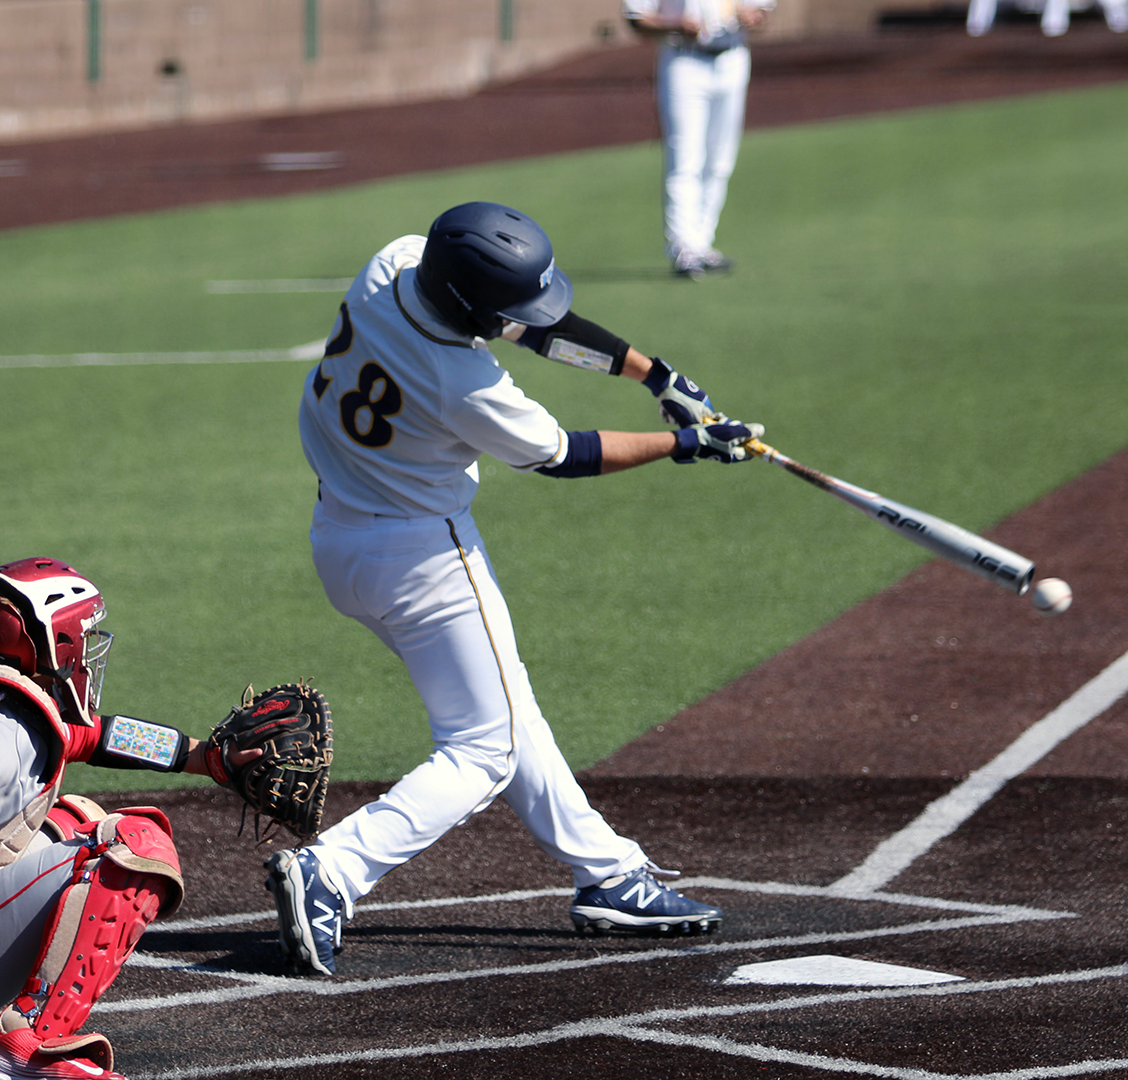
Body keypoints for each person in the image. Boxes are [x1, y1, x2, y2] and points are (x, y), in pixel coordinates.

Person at [275, 200, 761, 977]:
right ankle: (334, 868)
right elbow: (564, 454)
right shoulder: (462, 382)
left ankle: (607, 875)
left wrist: (657, 376)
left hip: (339, 539)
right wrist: (686, 442)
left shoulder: (395, 263)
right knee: (483, 749)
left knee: (504, 708)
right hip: (424, 561)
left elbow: (527, 324)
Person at [0, 557, 262, 1080]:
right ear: (54, 643)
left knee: (74, 818)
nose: (88, 651)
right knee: (137, 845)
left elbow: (95, 736)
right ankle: (27, 1044)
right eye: (81, 636)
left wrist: (204, 757)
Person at [624, 0, 775, 279]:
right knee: (684, 158)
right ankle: (684, 248)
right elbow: (636, 18)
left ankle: (702, 242)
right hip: (684, 59)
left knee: (720, 159)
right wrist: (675, 25)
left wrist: (753, 17)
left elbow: (762, 10)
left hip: (733, 58)